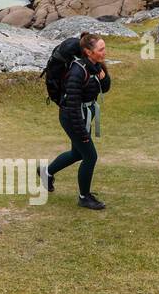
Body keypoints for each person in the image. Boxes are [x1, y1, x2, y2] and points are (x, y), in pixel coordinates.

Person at [41, 32, 112, 210]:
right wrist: (82, 133)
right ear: (88, 52)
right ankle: (84, 197)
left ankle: (46, 172)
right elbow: (72, 106)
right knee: (90, 156)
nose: (105, 52)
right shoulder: (77, 71)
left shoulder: (95, 66)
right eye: (101, 49)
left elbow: (105, 87)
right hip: (72, 117)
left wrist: (104, 76)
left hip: (84, 114)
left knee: (78, 153)